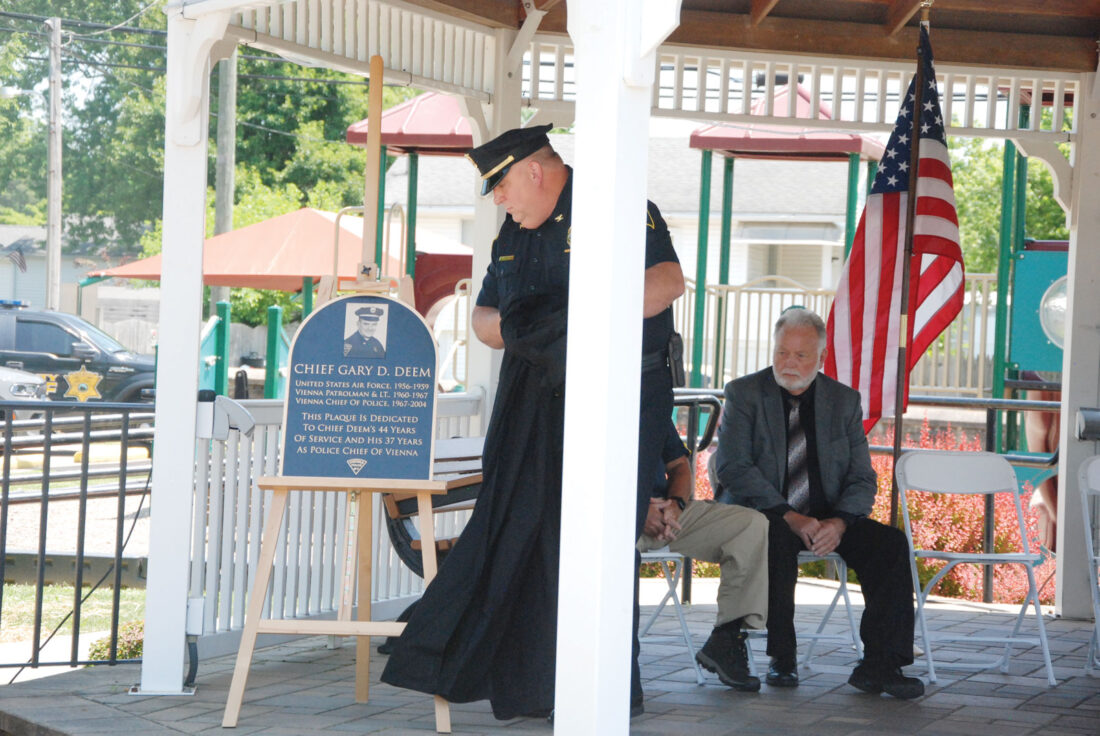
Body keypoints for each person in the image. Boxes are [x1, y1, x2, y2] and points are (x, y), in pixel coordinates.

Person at [380, 123, 685, 719]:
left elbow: (667, 284)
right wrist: (530, 331)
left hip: (617, 393)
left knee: (594, 538)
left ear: (534, 171)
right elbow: (484, 320)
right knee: (523, 530)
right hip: (534, 396)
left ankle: (605, 685)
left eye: (500, 185)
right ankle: (535, 687)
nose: (497, 199)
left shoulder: (618, 210)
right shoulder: (512, 233)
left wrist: (579, 317)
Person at [714, 307, 924, 699]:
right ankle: (783, 656)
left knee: (890, 546)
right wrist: (789, 514)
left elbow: (863, 477)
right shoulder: (744, 393)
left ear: (822, 358)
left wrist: (840, 523)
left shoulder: (843, 401)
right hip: (766, 512)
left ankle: (881, 664)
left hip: (827, 517)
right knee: (773, 534)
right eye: (781, 353)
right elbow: (732, 468)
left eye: (800, 355)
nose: (788, 364)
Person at [637, 419, 769, 691]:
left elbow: (679, 466)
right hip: (610, 517)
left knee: (750, 524)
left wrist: (676, 504)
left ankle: (726, 639)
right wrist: (637, 510)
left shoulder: (650, 402)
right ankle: (607, 655)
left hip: (665, 512)